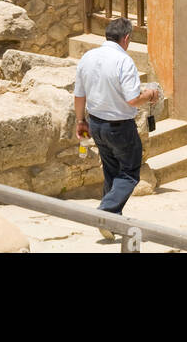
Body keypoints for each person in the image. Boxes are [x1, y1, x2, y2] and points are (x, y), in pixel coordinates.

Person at [73, 16, 162, 239]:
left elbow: (79, 94)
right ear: (127, 38)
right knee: (130, 171)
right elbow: (133, 99)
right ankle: (106, 211)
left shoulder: (88, 56)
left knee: (111, 171)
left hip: (96, 124)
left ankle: (111, 221)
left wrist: (80, 121)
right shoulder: (124, 61)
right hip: (119, 126)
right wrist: (150, 95)